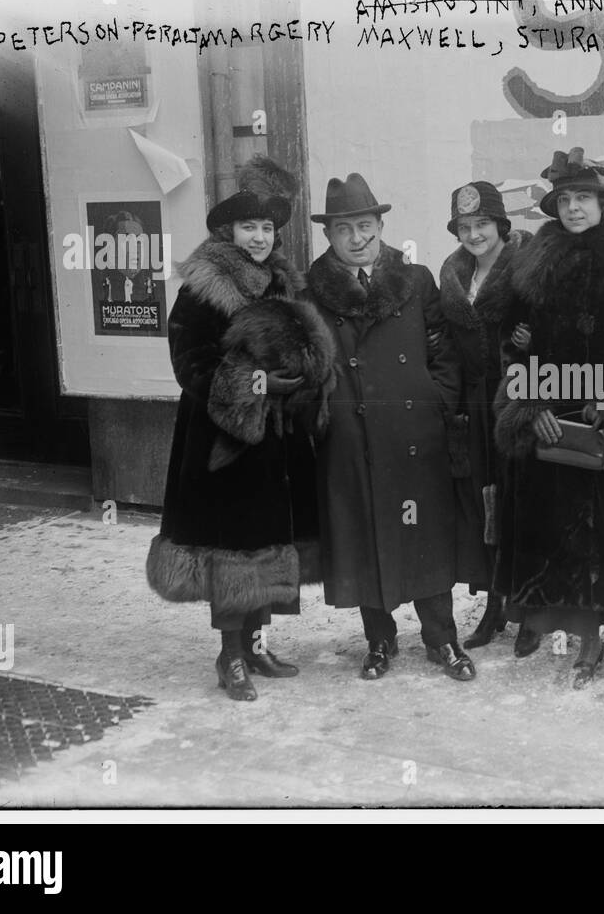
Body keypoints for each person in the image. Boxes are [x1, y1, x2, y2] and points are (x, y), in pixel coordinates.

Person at [147, 156, 332, 702]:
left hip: (275, 442)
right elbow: (191, 366)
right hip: (223, 442)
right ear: (228, 232)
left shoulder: (280, 283)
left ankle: (255, 643)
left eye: (267, 228)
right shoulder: (204, 288)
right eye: (249, 227)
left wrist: (303, 378)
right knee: (230, 548)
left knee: (265, 544)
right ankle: (229, 655)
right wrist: (255, 388)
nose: (259, 237)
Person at [494, 148, 604, 689]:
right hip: (551, 411)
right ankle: (543, 620)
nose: (573, 208)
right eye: (564, 200)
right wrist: (531, 404)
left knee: (601, 533)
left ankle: (592, 640)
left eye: (583, 197)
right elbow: (515, 342)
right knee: (550, 524)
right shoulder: (533, 260)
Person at [306, 173, 475, 682]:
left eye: (364, 225)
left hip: (413, 436)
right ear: (329, 236)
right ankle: (379, 641)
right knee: (365, 538)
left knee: (425, 536)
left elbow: (444, 351)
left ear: (381, 225)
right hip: (351, 440)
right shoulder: (312, 292)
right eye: (343, 229)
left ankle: (443, 640)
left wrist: (434, 403)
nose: (356, 238)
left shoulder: (416, 279)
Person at [437, 181, 539, 653]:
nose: (474, 234)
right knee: (487, 504)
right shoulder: (454, 276)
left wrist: (528, 342)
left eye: (482, 224)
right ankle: (495, 606)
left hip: (518, 400)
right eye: (465, 226)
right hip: (477, 407)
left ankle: (531, 613)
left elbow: (552, 331)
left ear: (501, 225)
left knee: (523, 503)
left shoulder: (528, 268)